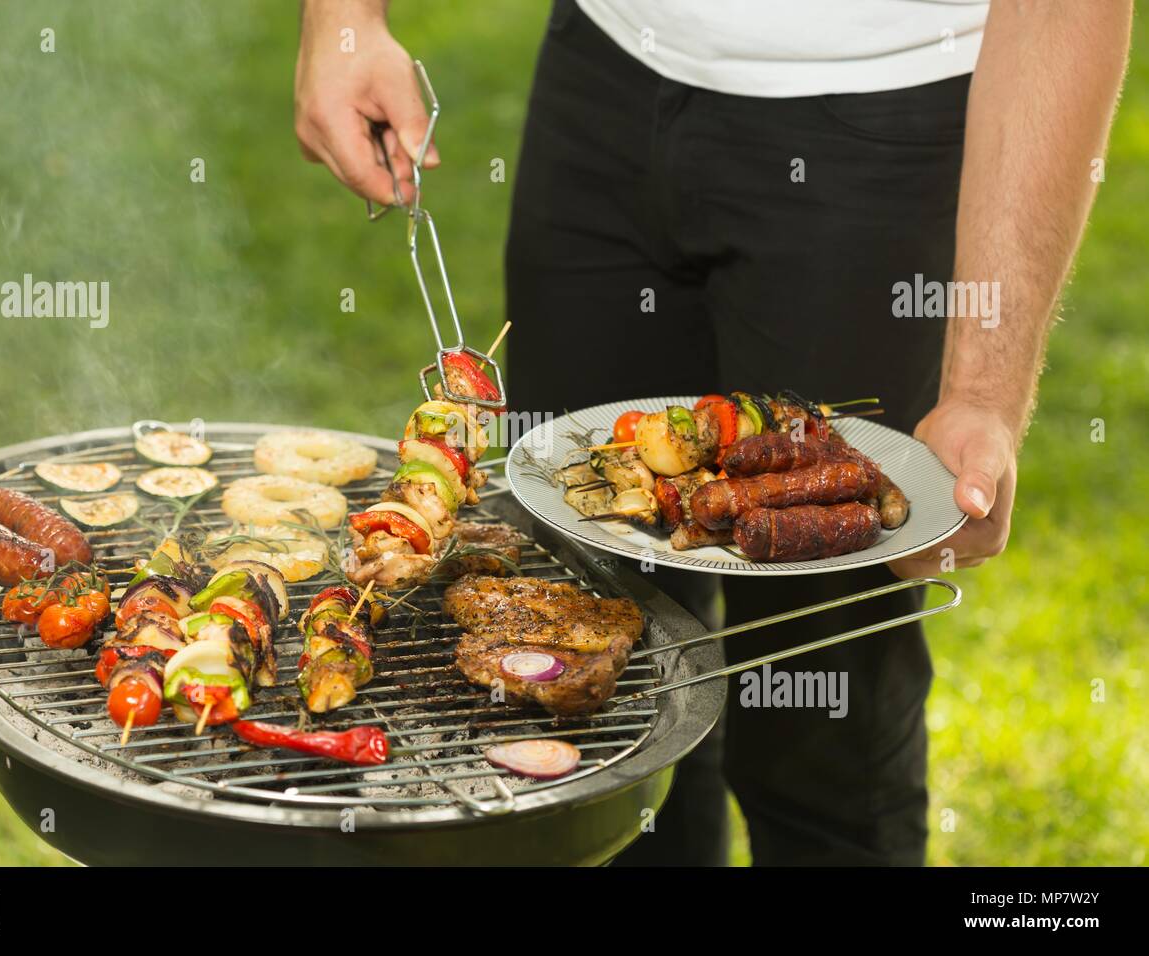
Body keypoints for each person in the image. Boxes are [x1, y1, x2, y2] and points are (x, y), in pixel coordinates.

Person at [293, 0, 1131, 864]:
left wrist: (985, 393)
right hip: (602, 69)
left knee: (820, 713)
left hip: (880, 121)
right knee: (588, 667)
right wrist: (342, 19)